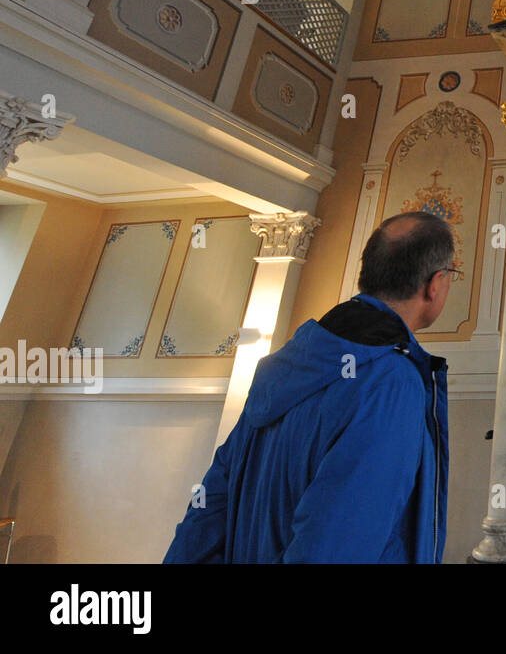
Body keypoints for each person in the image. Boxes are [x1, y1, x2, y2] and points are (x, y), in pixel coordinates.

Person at [164, 212, 453, 563]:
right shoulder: (391, 380)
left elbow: (207, 512)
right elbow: (338, 545)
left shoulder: (283, 364)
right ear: (435, 284)